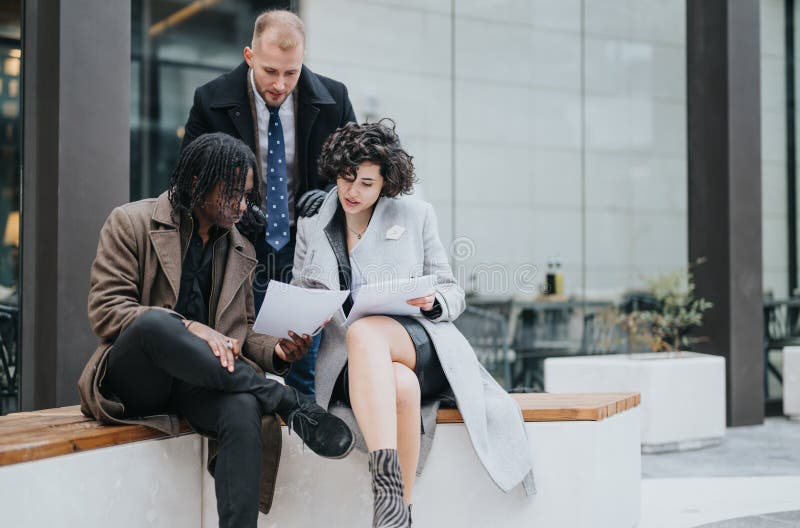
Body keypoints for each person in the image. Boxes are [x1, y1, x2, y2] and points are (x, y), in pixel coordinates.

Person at [77, 133, 354, 528]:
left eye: (246, 195)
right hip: (137, 380)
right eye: (231, 195)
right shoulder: (130, 222)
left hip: (203, 383)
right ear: (196, 182)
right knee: (155, 323)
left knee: (243, 409)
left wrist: (278, 351)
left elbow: (241, 331)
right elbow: (107, 312)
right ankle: (283, 399)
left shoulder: (241, 247)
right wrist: (190, 326)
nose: (242, 206)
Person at [292, 121, 536, 527]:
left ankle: (382, 487)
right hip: (357, 365)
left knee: (366, 331)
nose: (353, 191)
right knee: (399, 387)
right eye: (346, 178)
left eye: (366, 183)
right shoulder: (311, 227)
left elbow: (452, 291)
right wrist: (305, 318)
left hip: (420, 345)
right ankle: (398, 512)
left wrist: (434, 302)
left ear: (386, 183)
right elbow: (305, 294)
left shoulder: (416, 215)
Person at [181, 9, 357, 394]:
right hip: (238, 246)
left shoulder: (334, 98)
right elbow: (187, 179)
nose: (280, 84)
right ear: (249, 56)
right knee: (242, 355)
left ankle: (300, 438)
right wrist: (230, 204)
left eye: (291, 72)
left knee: (302, 360)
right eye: (269, 71)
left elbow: (356, 174)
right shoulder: (210, 101)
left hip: (306, 249)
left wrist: (329, 197)